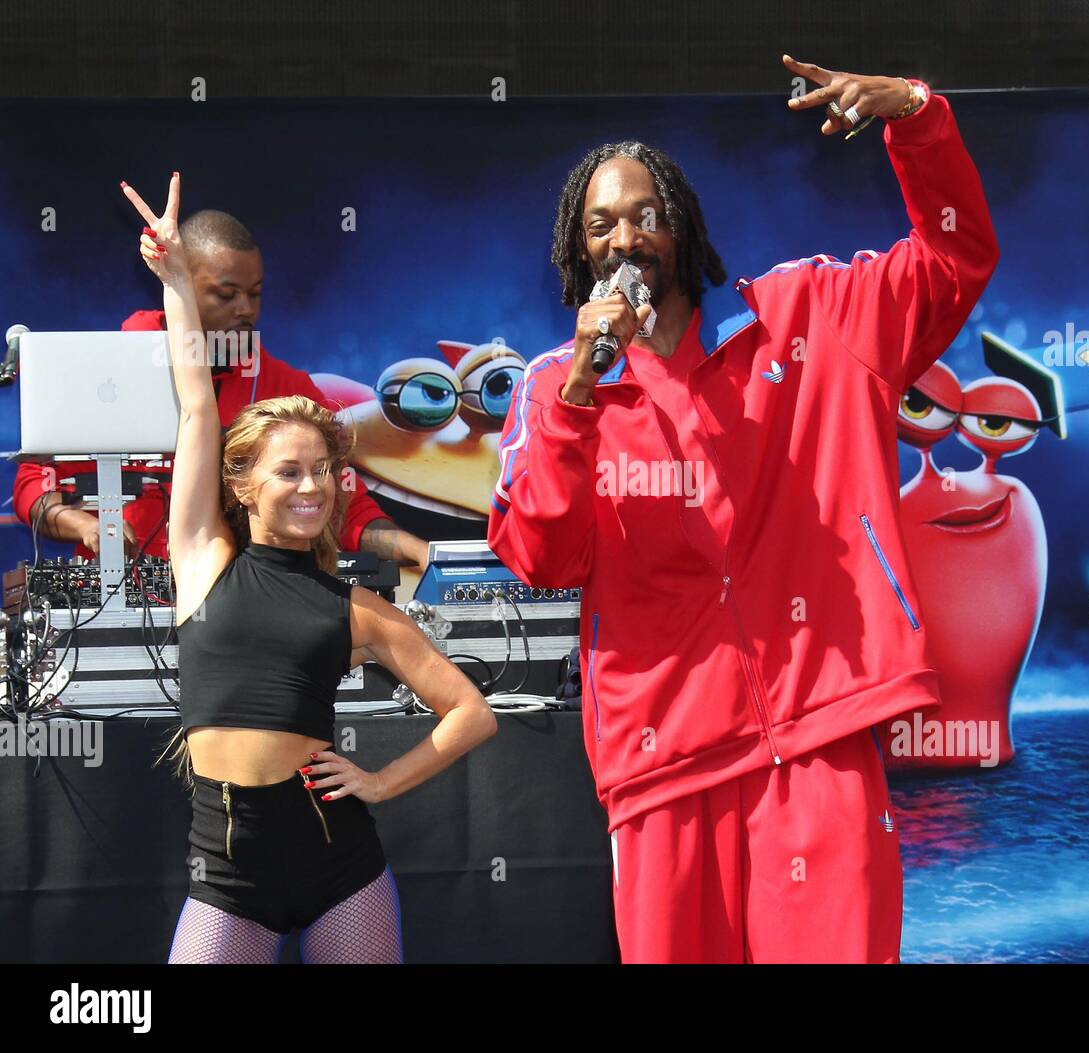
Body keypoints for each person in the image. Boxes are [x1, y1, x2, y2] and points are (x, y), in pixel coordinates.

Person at [487, 57, 999, 963]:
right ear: (578, 255)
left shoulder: (809, 322)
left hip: (819, 740)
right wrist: (576, 390)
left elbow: (955, 260)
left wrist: (917, 116)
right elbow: (542, 555)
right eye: (598, 224)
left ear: (679, 227)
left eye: (644, 215)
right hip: (664, 766)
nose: (624, 238)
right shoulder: (554, 391)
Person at [122, 172, 497, 964]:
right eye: (289, 471)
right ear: (241, 483)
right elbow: (196, 402)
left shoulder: (354, 606)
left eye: (324, 471)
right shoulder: (202, 559)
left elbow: (472, 712)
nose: (312, 486)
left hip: (342, 871)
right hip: (227, 880)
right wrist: (174, 283)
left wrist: (381, 782)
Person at [12, 209, 431, 571]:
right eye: (226, 294)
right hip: (127, 605)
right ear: (180, 285)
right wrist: (86, 527)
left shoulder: (287, 388)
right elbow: (34, 485)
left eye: (255, 294)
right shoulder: (107, 374)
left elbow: (343, 502)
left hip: (243, 609)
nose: (246, 309)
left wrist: (423, 553)